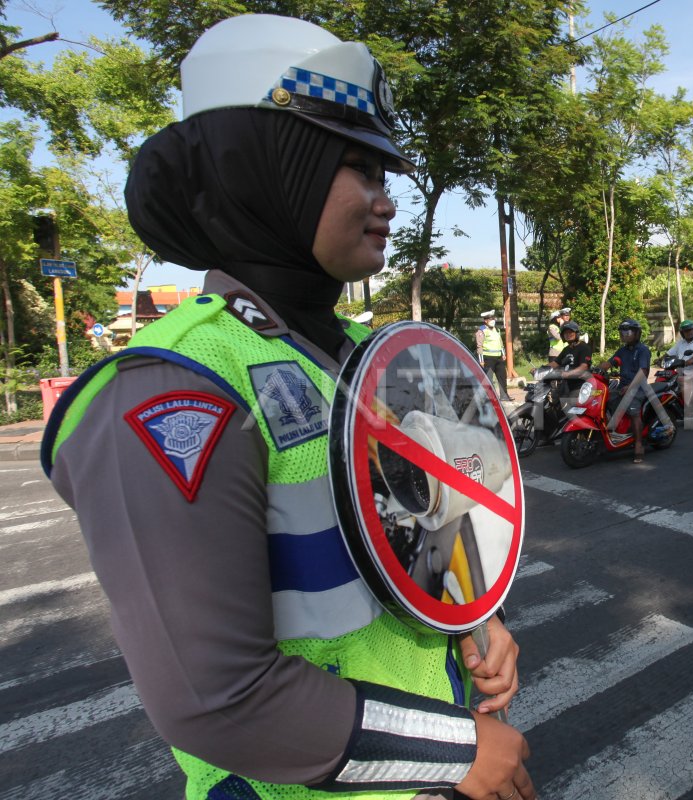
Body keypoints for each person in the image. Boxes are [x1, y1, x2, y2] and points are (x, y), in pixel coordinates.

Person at [40, 15, 533, 800]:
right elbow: (218, 700)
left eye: (387, 176)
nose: (387, 202)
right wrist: (458, 752)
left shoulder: (368, 359)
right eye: (359, 168)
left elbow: (412, 540)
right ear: (267, 166)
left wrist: (470, 615)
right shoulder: (171, 386)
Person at [597, 319, 653, 463]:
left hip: (639, 387)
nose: (624, 335)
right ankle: (615, 434)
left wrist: (631, 387)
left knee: (633, 411)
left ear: (636, 333)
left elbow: (643, 372)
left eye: (627, 331)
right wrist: (597, 368)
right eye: (622, 332)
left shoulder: (643, 350)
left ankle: (639, 444)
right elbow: (610, 362)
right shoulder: (622, 350)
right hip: (623, 386)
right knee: (605, 401)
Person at [666, 319, 693, 428]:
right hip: (683, 372)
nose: (689, 332)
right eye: (686, 331)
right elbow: (670, 352)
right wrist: (661, 359)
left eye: (690, 330)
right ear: (682, 333)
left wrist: (690, 361)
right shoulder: (680, 343)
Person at [547, 320, 592, 397]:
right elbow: (555, 363)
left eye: (571, 332)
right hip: (566, 385)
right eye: (565, 333)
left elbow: (583, 367)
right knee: (554, 403)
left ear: (576, 333)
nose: (568, 334)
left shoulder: (584, 348)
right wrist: (540, 369)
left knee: (570, 404)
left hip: (580, 386)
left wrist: (568, 374)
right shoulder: (566, 349)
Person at [476, 309, 513, 401]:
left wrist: (503, 354)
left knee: (502, 377)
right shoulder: (481, 331)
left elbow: (500, 343)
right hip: (488, 358)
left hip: (499, 358)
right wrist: (481, 360)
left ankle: (504, 396)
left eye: (493, 318)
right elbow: (479, 346)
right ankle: (489, 398)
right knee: (488, 378)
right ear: (485, 320)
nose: (493, 320)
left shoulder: (497, 329)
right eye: (490, 319)